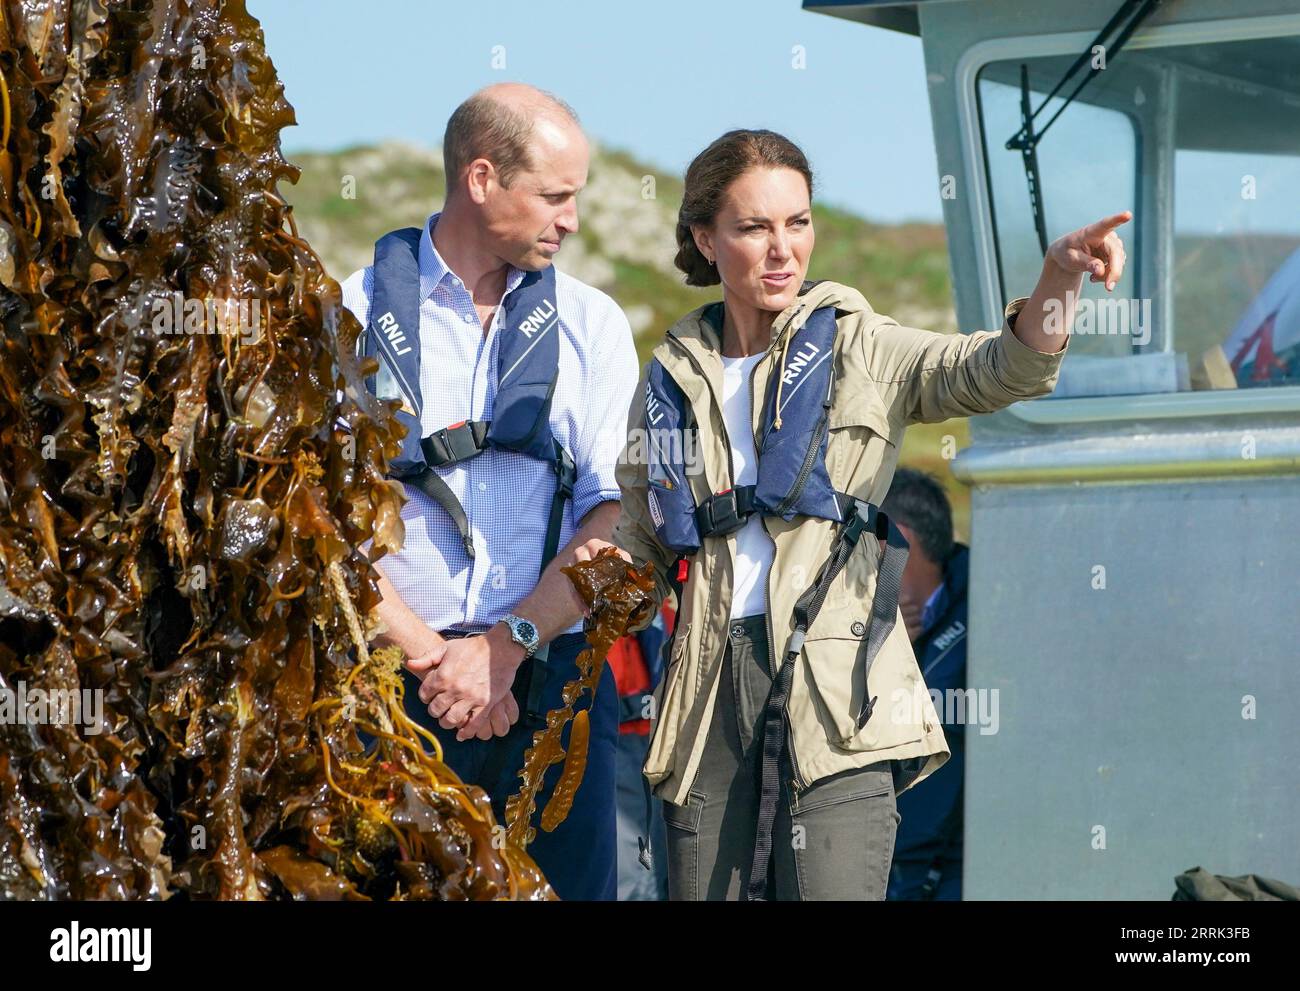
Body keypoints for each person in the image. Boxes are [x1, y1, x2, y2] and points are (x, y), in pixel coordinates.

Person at [610, 128, 1130, 900]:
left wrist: (1059, 276)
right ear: (704, 238)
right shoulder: (669, 376)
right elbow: (636, 539)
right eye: (754, 226)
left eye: (799, 221)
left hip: (839, 699)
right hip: (703, 704)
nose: (783, 247)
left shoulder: (864, 344)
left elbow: (1003, 368)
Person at [341, 83, 639, 900]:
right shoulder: (347, 311)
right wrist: (434, 658)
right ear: (480, 179)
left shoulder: (594, 323)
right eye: (555, 195)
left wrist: (503, 650)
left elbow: (614, 518)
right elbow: (318, 528)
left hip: (549, 687)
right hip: (392, 695)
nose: (571, 219)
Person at [882, 468, 968, 901]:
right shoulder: (863, 624)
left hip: (956, 866)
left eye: (861, 542)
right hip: (893, 863)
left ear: (899, 539)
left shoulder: (990, 606)